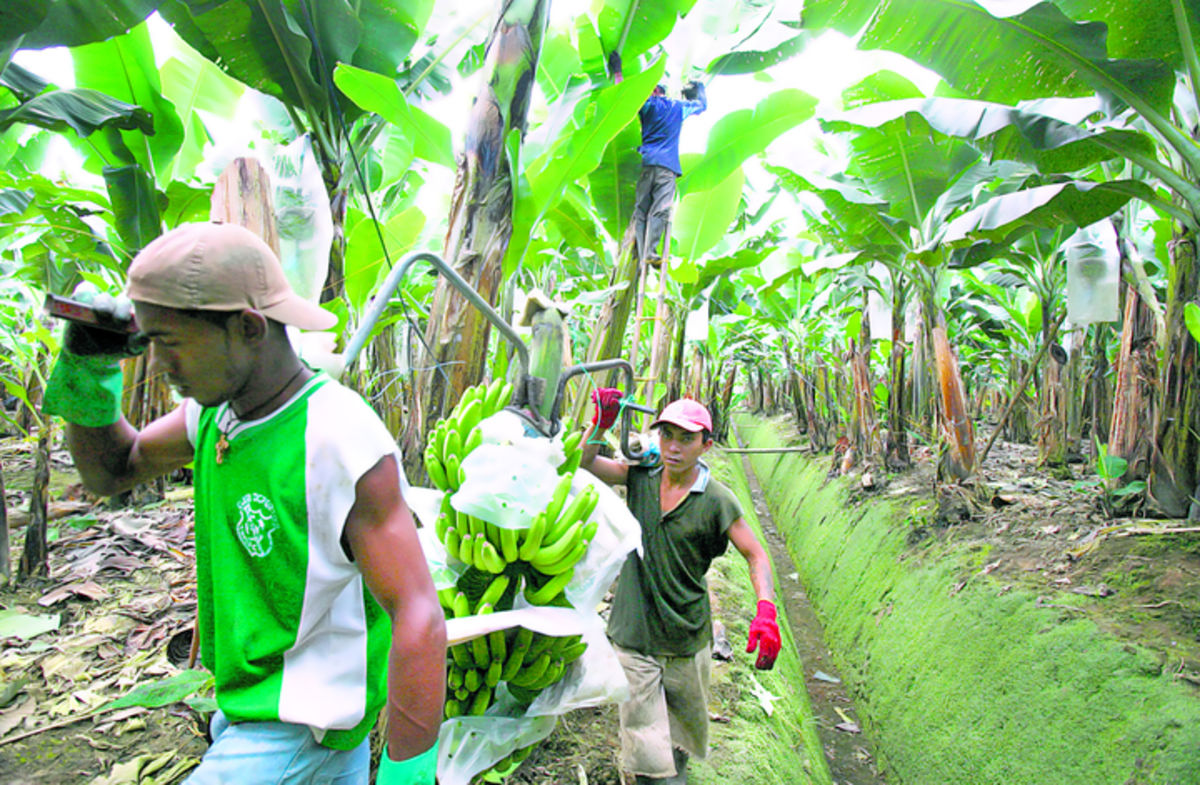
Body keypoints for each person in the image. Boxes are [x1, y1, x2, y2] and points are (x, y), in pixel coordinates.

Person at [41, 222, 446, 784]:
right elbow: (115, 468)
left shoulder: (336, 436)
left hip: (298, 721)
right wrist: (90, 368)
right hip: (253, 710)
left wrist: (410, 772)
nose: (157, 365)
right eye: (148, 340)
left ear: (249, 328)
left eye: (171, 342)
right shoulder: (218, 413)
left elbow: (418, 611)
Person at [580, 392, 781, 785]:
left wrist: (767, 610)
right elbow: (583, 464)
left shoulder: (717, 500)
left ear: (706, 445)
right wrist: (600, 424)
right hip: (634, 636)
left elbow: (756, 554)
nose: (673, 447)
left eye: (685, 439)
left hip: (688, 639)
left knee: (678, 742)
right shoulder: (639, 477)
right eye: (666, 434)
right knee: (649, 757)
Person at [608, 52, 707, 264]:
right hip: (667, 167)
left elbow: (623, 96)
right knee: (660, 209)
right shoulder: (678, 107)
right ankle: (650, 252)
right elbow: (701, 106)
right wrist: (699, 89)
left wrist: (617, 71)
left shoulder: (647, 106)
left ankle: (644, 254)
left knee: (642, 209)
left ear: (653, 90)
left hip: (645, 163)